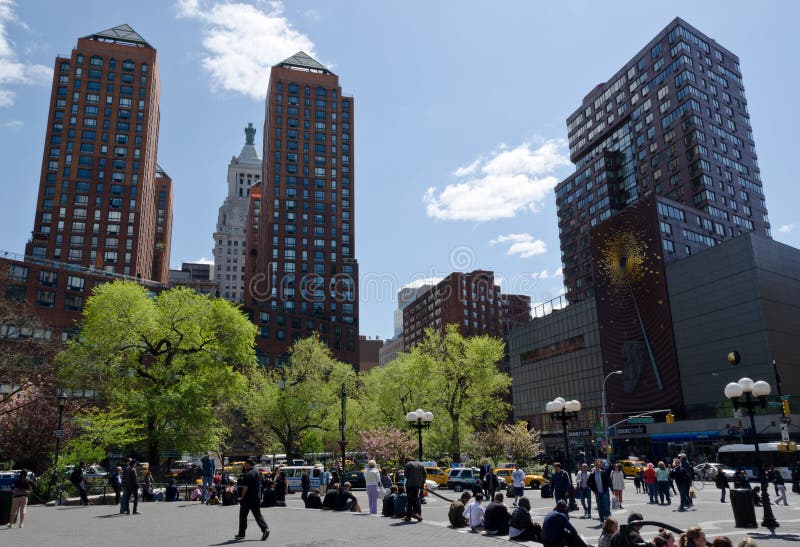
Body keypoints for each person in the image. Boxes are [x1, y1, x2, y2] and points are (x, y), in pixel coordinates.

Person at [234, 459, 269, 541]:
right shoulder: (257, 472)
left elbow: (246, 487)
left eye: (245, 464)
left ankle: (241, 534)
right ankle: (265, 529)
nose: (244, 465)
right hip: (256, 497)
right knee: (258, 515)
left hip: (247, 498)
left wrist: (242, 496)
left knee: (243, 516)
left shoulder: (248, 474)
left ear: (249, 464)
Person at [588, 459, 612, 524]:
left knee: (606, 505)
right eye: (597, 466)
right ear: (595, 467)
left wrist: (610, 489)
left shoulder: (603, 472)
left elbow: (608, 481)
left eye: (599, 466)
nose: (598, 467)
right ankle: (601, 519)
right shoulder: (592, 474)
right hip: (597, 493)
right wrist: (594, 490)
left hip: (604, 492)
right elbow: (588, 482)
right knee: (600, 506)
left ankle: (607, 518)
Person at [403, 457, 426, 522]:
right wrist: (422, 483)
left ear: (407, 461)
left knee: (410, 500)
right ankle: (417, 514)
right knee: (416, 498)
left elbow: (406, 475)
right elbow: (425, 474)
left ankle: (412, 515)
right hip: (418, 485)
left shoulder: (408, 464)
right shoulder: (420, 464)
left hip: (410, 485)